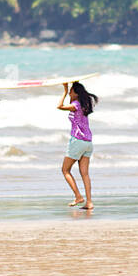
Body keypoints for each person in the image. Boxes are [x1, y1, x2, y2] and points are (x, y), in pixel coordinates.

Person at [58, 80, 99, 209]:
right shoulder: (84, 104)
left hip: (78, 141)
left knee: (65, 170)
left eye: (71, 91)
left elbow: (59, 106)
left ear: (75, 93)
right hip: (88, 142)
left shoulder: (75, 104)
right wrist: (70, 88)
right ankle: (89, 202)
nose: (69, 92)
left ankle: (78, 196)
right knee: (85, 174)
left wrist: (64, 91)